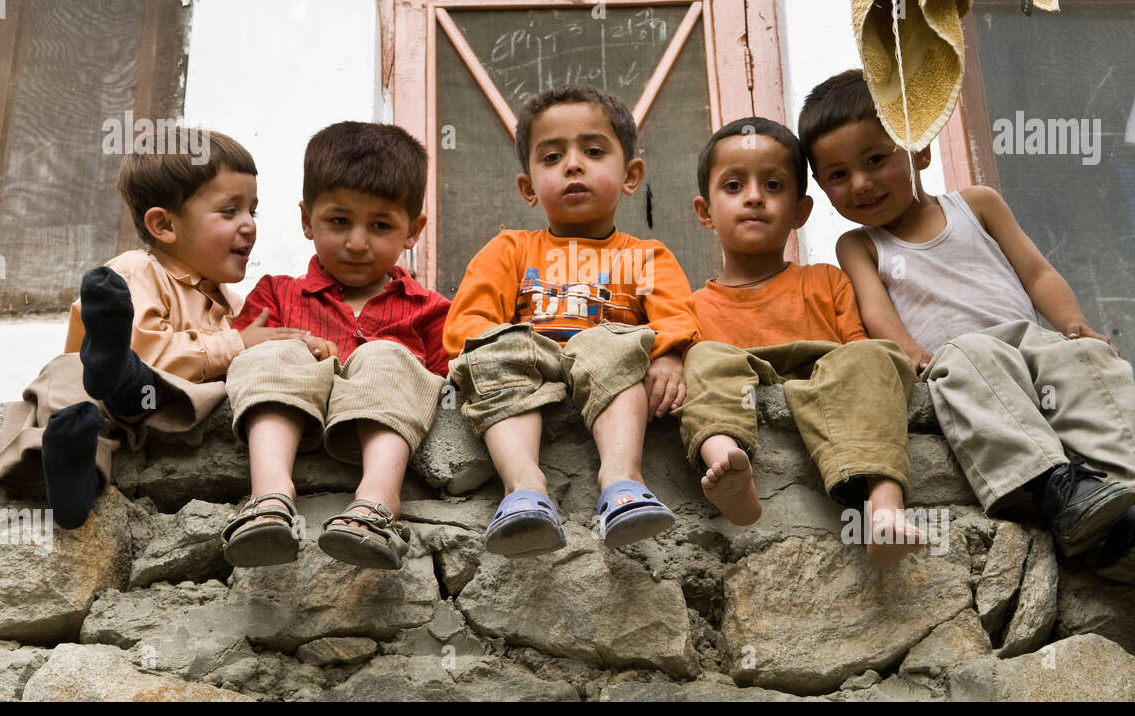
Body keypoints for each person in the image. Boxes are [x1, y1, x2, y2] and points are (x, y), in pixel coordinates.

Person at [803, 69, 1135, 583]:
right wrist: (908, 350)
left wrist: (1074, 325)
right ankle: (1054, 485)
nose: (859, 183)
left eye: (876, 159)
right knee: (975, 354)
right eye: (837, 175)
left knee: (1088, 360)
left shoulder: (978, 204)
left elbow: (1036, 272)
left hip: (1027, 341)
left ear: (919, 148)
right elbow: (876, 310)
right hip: (956, 355)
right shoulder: (860, 245)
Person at [0, 131, 306, 528]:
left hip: (165, 408)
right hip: (101, 405)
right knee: (67, 380)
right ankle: (75, 472)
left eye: (252, 212)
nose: (248, 226)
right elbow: (151, 349)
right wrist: (235, 344)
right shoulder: (135, 272)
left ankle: (106, 415)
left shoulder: (234, 306)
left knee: (203, 386)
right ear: (164, 225)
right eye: (229, 212)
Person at [443, 86, 698, 557]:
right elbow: (469, 323)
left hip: (604, 364)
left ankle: (621, 480)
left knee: (616, 345)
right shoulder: (510, 250)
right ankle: (524, 487)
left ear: (630, 175)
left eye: (594, 151)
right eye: (553, 156)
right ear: (528, 188)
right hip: (529, 367)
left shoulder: (645, 257)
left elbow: (675, 316)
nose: (573, 164)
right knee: (494, 350)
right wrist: (491, 352)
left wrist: (670, 354)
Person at [677, 117, 923, 564]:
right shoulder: (692, 308)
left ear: (799, 211)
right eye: (734, 186)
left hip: (826, 377)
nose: (754, 196)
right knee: (702, 357)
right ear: (705, 210)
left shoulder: (828, 280)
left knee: (872, 355)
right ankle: (730, 466)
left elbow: (864, 358)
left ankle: (885, 505)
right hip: (741, 381)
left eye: (773, 185)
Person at [221, 122, 450, 570]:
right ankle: (269, 497)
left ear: (413, 230)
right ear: (307, 220)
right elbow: (235, 362)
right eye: (339, 221)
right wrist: (300, 347)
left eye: (380, 225)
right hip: (294, 417)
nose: (357, 242)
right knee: (272, 349)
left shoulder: (430, 311)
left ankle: (376, 504)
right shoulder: (276, 295)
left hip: (383, 425)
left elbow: (450, 388)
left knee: (388, 356)